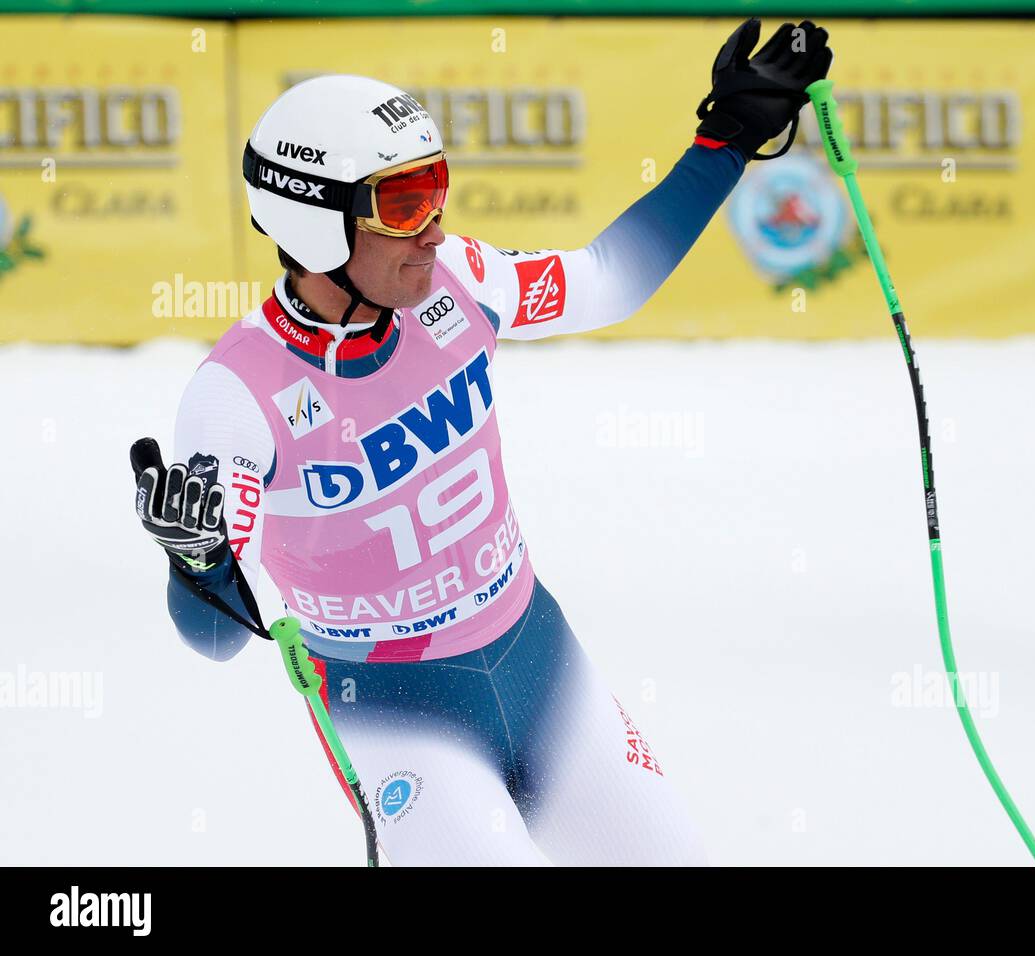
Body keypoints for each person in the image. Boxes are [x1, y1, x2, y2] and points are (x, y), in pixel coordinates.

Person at [131, 18, 832, 866]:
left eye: (435, 189)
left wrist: (727, 140)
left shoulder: (460, 278)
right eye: (401, 202)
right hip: (397, 718)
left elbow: (610, 280)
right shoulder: (236, 397)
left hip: (542, 666)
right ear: (312, 222)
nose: (432, 227)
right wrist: (198, 564)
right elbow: (212, 636)